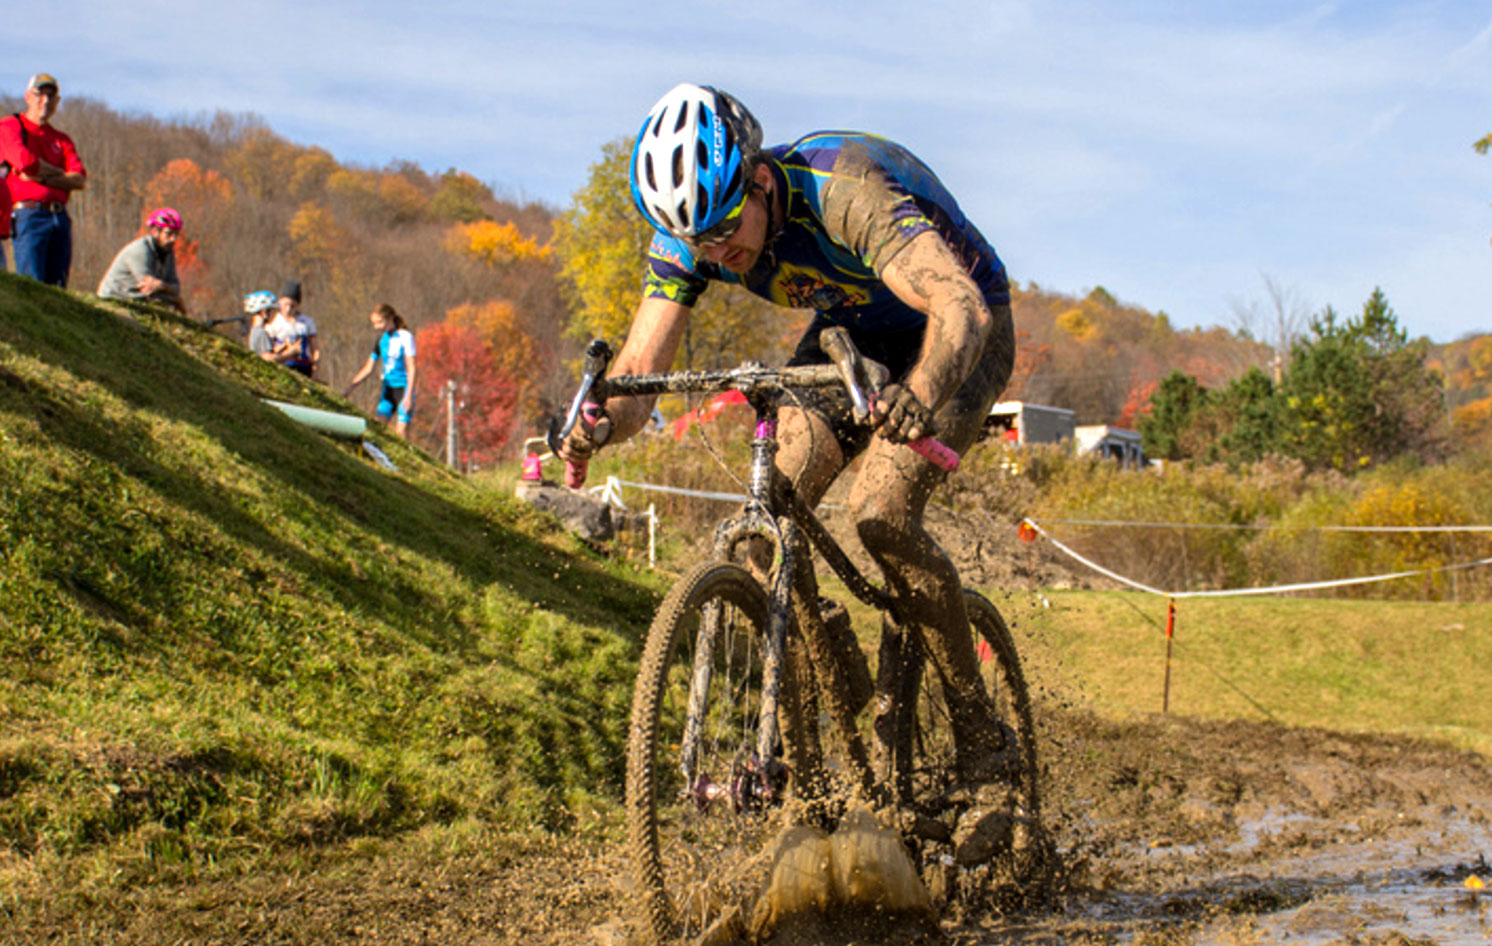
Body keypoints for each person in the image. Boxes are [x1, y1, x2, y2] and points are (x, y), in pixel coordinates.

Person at [557, 84, 1019, 793]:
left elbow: (957, 307)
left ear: (761, 181)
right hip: (852, 337)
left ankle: (979, 729)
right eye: (699, 241)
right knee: (764, 524)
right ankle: (826, 728)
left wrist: (918, 399)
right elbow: (639, 370)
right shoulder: (693, 234)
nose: (717, 251)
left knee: (881, 515)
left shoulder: (841, 188)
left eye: (724, 230)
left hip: (962, 328)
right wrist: (596, 426)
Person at [0, 74, 87, 286]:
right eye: (40, 95)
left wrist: (42, 177)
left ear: (57, 102)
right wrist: (60, 173)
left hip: (60, 216)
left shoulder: (61, 139)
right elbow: (24, 162)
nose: (45, 101)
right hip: (28, 215)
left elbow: (78, 179)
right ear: (28, 97)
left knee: (58, 289)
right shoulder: (11, 125)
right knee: (32, 286)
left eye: (51, 96)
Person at [343, 303, 417, 437]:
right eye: (374, 323)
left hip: (404, 389)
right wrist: (350, 388)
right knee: (378, 428)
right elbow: (368, 368)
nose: (376, 327)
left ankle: (403, 458)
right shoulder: (381, 340)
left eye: (379, 323)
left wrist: (409, 396)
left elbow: (412, 367)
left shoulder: (405, 337)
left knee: (401, 434)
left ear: (389, 319)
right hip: (388, 389)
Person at [96, 208, 186, 311]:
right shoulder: (140, 250)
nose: (173, 239)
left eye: (176, 234)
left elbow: (176, 287)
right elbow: (148, 288)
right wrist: (168, 290)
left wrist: (162, 286)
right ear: (155, 231)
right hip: (113, 298)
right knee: (172, 302)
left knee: (176, 302)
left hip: (135, 299)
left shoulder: (168, 251)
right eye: (169, 234)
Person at [264, 280, 319, 378]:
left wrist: (315, 370)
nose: (288, 309)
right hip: (283, 365)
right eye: (285, 304)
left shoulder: (306, 322)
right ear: (279, 302)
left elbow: (315, 349)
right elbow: (268, 351)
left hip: (304, 367)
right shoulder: (273, 323)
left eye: (292, 306)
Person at [243, 290, 278, 359]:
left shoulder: (254, 330)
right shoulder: (261, 333)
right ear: (264, 312)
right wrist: (291, 352)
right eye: (272, 311)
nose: (274, 314)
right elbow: (268, 358)